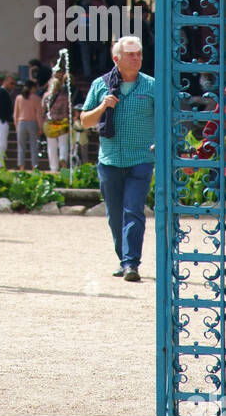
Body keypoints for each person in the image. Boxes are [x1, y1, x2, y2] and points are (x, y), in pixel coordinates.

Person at [80, 35, 155, 282]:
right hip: (110, 160)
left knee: (133, 210)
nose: (137, 59)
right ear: (116, 59)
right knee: (115, 216)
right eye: (131, 55)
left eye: (139, 54)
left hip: (141, 159)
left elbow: (165, 119)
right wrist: (102, 107)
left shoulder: (152, 86)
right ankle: (124, 260)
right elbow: (84, 121)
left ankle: (132, 263)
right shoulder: (100, 85)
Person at [42, 64, 70, 172]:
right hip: (62, 121)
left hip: (50, 122)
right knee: (63, 143)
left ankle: (54, 167)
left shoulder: (46, 96)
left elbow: (42, 108)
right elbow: (67, 109)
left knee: (51, 145)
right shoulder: (64, 96)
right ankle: (63, 158)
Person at [13, 80, 43, 170]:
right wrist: (40, 126)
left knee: (21, 146)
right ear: (32, 88)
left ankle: (21, 167)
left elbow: (15, 114)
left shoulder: (18, 98)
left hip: (21, 123)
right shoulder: (36, 98)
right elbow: (38, 114)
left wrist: (16, 125)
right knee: (34, 146)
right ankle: (34, 166)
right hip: (32, 123)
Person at [0, 74, 16, 169]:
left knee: (2, 143)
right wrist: (4, 117)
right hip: (0, 120)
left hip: (2, 120)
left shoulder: (4, 92)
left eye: (14, 84)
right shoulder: (1, 92)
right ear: (5, 82)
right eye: (11, 83)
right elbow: (0, 107)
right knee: (0, 142)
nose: (13, 86)